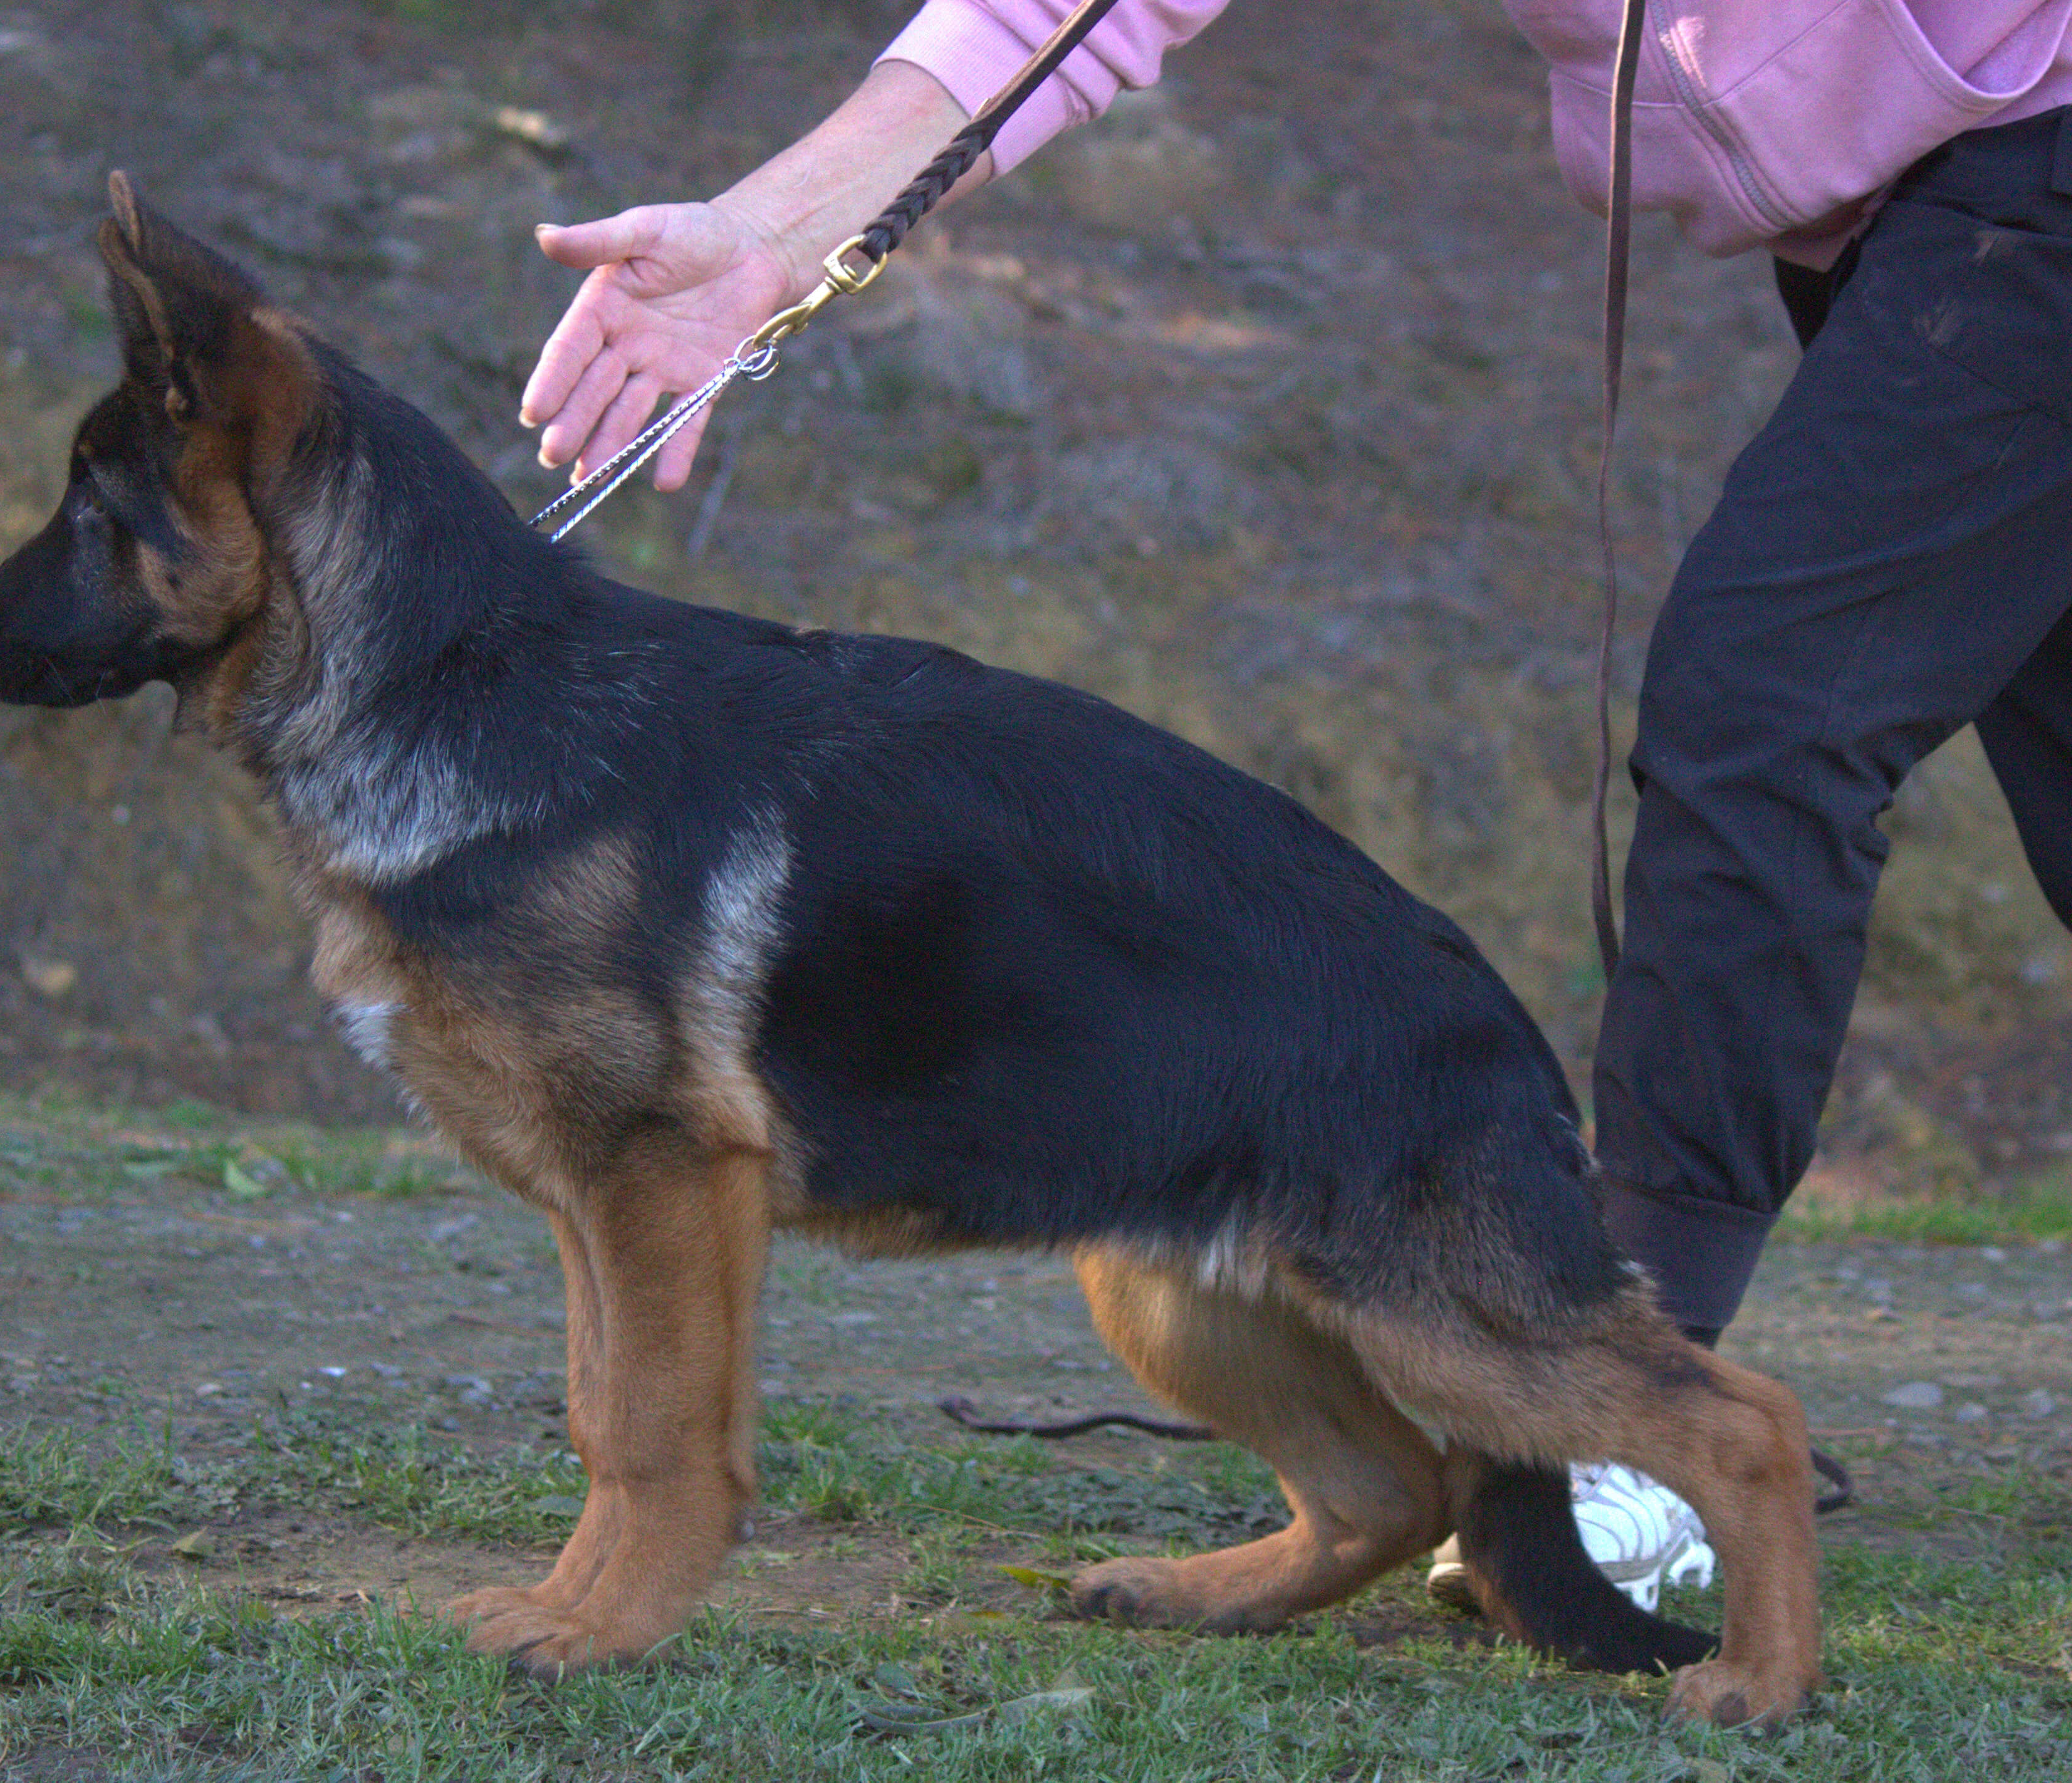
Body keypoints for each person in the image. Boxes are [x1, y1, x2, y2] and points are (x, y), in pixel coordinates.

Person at [516, 1, 2072, 1610]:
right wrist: (768, 239)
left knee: (1771, 701)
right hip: (1913, 209)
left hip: (2028, 175)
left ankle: (1634, 1401)